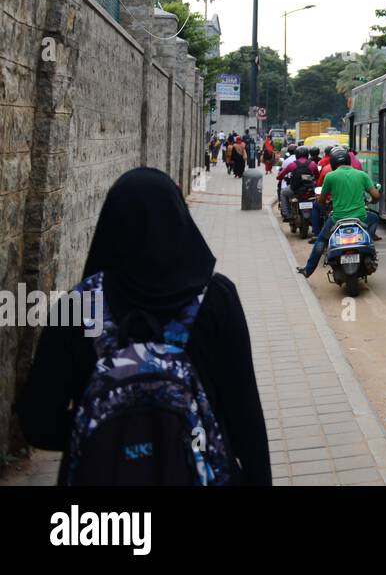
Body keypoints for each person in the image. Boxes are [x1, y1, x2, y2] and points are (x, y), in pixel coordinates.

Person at [15, 168, 271, 485]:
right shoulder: (216, 299)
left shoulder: (78, 306)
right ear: (179, 219)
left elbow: (37, 420)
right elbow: (245, 414)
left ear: (110, 227)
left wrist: (113, 434)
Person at [299, 146, 381, 278]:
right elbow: (376, 195)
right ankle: (369, 244)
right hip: (361, 217)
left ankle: (308, 270)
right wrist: (372, 202)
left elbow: (322, 200)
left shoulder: (330, 177)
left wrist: (323, 202)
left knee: (320, 240)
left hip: (337, 218)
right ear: (349, 161)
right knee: (374, 218)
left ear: (333, 163)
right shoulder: (362, 175)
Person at [277, 146, 316, 221]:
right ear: (307, 154)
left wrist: (279, 177)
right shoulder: (312, 164)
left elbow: (281, 175)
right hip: (309, 190)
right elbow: (317, 176)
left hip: (295, 189)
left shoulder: (292, 165)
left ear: (296, 154)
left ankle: (287, 214)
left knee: (283, 193)